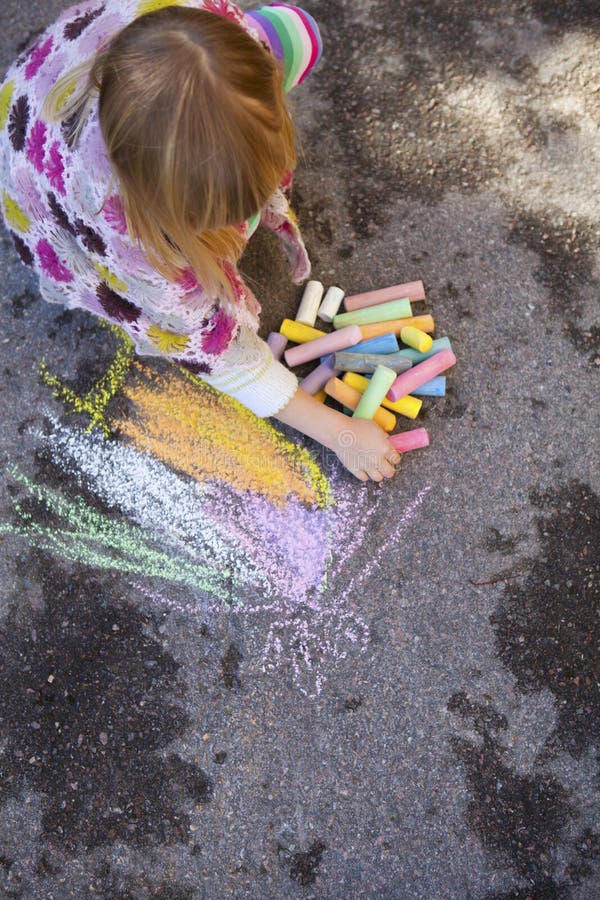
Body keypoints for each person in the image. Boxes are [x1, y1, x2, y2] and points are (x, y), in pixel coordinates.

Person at [0, 0, 400, 482]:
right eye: (226, 215)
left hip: (94, 69)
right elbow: (220, 355)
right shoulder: (138, 248)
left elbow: (223, 73)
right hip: (37, 170)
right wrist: (341, 432)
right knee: (187, 307)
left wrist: (259, 80)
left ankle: (242, 109)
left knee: (298, 35)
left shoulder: (196, 28)